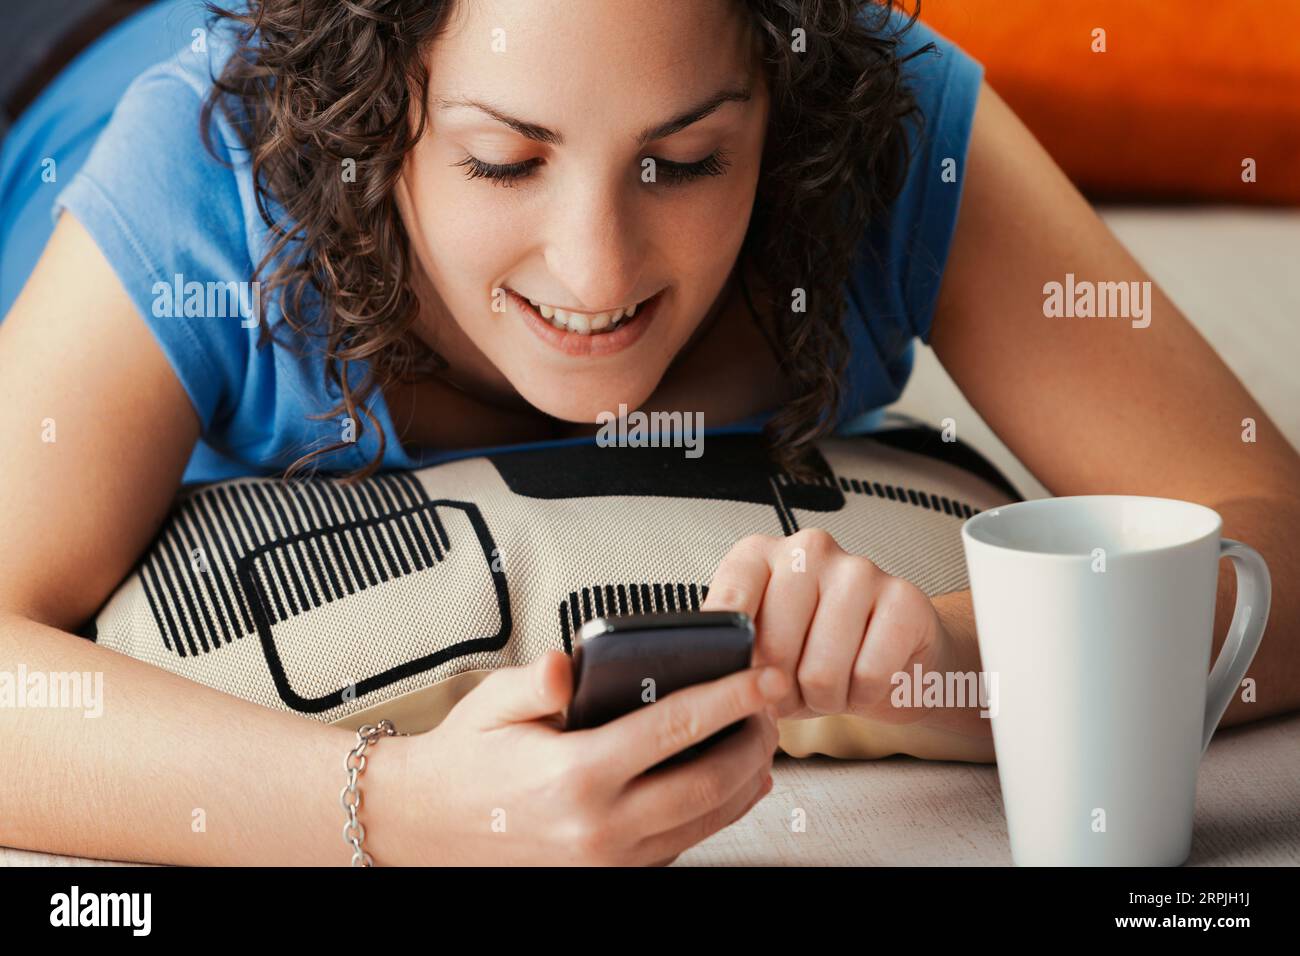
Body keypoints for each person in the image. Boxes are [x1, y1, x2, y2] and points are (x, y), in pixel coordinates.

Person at [1, 0, 1296, 866]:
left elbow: (1268, 531)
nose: (595, 271)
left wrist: (951, 662)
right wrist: (393, 813)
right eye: (504, 161)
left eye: (685, 161)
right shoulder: (209, 165)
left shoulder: (887, 120)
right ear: (373, 114)